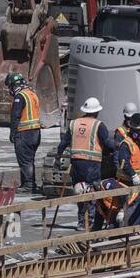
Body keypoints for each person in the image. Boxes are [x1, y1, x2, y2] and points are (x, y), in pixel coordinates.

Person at [55, 97, 116, 230]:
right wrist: (116, 147)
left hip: (76, 164)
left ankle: (81, 222)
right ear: (96, 112)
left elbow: (64, 142)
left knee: (80, 190)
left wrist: (58, 156)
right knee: (92, 192)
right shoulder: (98, 125)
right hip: (92, 165)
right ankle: (91, 221)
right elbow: (108, 144)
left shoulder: (74, 123)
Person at [114, 106, 140, 226]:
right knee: (131, 208)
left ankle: (139, 229)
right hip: (130, 181)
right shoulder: (126, 144)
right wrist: (133, 175)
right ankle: (129, 231)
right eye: (137, 131)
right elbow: (123, 162)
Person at [7, 73, 42, 193]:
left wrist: (12, 132)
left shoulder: (20, 96)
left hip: (24, 133)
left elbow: (15, 115)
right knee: (30, 159)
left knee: (24, 160)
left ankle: (28, 185)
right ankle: (29, 183)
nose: (10, 90)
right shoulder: (32, 94)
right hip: (36, 132)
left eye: (10, 86)